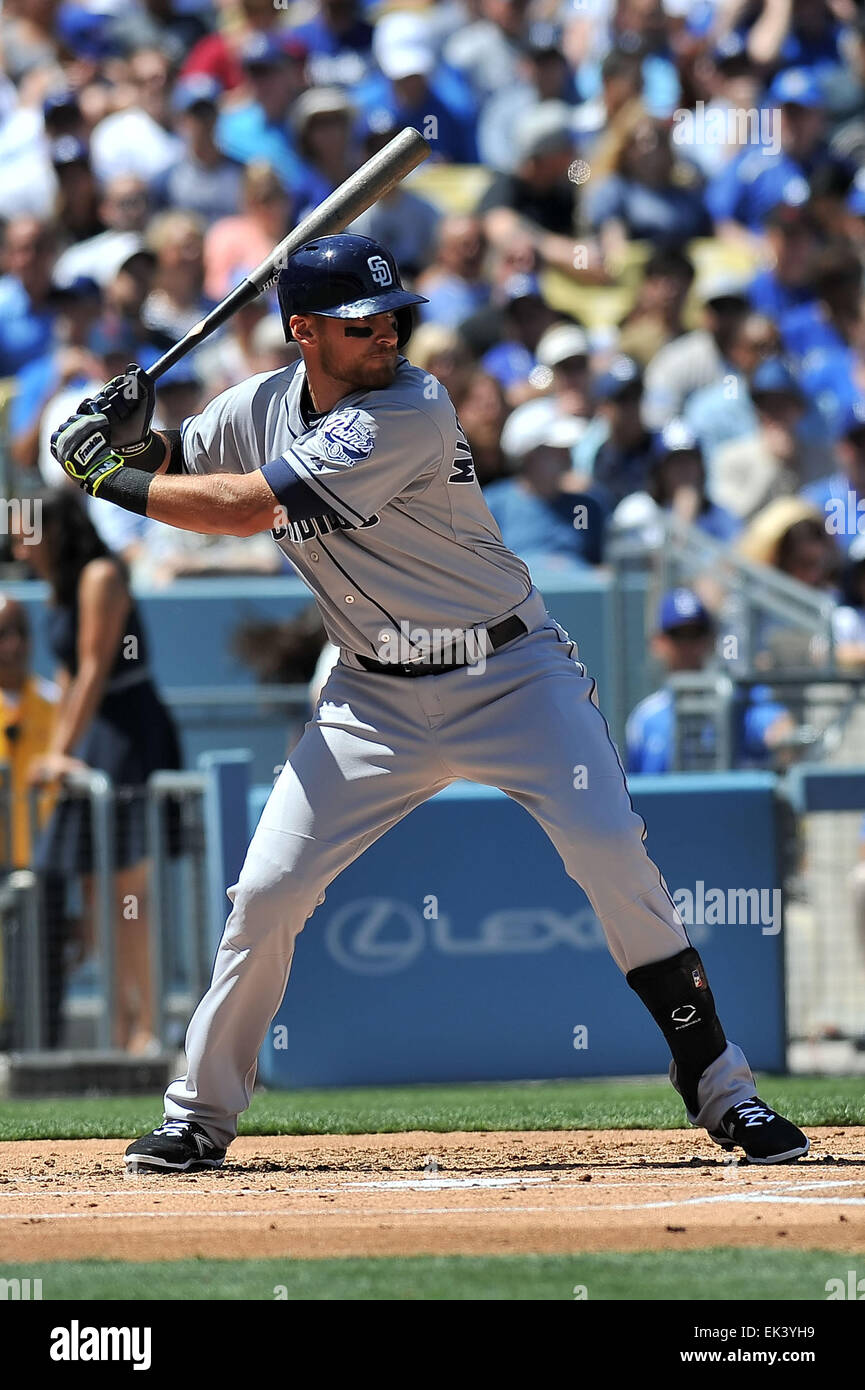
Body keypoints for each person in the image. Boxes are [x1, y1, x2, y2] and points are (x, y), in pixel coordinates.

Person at [49, 231, 809, 1171]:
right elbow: (185, 458)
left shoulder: (410, 405)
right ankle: (199, 1116)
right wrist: (131, 435)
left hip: (511, 674)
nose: (387, 337)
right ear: (302, 332)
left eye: (393, 319)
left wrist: (103, 474)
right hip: (372, 694)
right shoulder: (251, 408)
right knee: (268, 893)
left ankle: (724, 1092)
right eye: (362, 324)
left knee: (614, 855)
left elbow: (244, 507)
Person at [15, 490, 181, 1054]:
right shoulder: (61, 586)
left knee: (128, 889)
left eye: (26, 532)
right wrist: (61, 748)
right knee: (94, 888)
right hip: (93, 738)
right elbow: (66, 676)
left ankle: (148, 1027)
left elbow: (93, 667)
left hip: (129, 732)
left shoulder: (101, 575)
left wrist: (60, 750)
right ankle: (120, 1025)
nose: (17, 545)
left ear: (54, 531)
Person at [625, 589, 793, 775]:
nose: (688, 646)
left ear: (710, 639)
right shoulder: (646, 717)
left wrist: (784, 739)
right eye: (678, 635)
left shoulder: (735, 697)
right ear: (659, 642)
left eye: (696, 633)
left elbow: (779, 729)